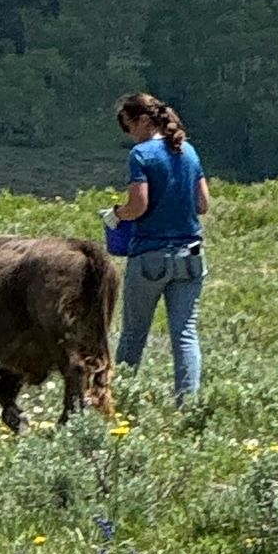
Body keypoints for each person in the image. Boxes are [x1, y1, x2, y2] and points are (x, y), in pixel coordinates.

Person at [108, 90, 209, 403]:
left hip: (150, 255)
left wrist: (116, 215)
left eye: (128, 127)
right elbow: (202, 204)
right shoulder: (188, 152)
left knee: (134, 333)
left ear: (141, 120)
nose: (129, 135)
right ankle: (187, 405)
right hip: (190, 255)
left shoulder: (141, 155)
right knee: (185, 334)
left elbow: (138, 206)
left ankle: (121, 399)